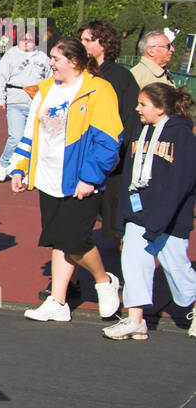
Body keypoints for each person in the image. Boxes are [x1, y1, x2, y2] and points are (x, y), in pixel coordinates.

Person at [11, 37, 123, 322]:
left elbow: (109, 140)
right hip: (48, 177)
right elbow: (30, 134)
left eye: (56, 58)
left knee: (75, 241)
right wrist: (20, 168)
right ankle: (58, 301)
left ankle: (104, 281)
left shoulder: (98, 90)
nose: (51, 63)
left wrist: (90, 177)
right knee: (58, 240)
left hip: (79, 180)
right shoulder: (46, 90)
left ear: (74, 62)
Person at [103, 84, 196, 340]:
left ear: (161, 107)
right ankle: (135, 320)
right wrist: (123, 215)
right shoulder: (140, 131)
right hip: (139, 214)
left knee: (177, 269)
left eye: (143, 104)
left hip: (170, 218)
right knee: (134, 264)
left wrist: (160, 220)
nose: (137, 109)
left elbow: (182, 182)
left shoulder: (182, 135)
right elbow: (129, 176)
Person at [80, 19, 139, 250]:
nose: (82, 44)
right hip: (81, 156)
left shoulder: (122, 77)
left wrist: (119, 155)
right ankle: (69, 281)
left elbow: (130, 119)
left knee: (117, 223)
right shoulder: (79, 73)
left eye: (88, 40)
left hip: (112, 161)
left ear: (103, 44)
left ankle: (126, 274)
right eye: (81, 39)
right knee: (75, 223)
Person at [0, 32, 52, 180]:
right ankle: (4, 163)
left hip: (35, 103)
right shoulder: (10, 56)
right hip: (15, 101)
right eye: (23, 40)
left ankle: (21, 168)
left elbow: (51, 79)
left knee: (31, 138)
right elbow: (0, 78)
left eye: (29, 40)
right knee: (16, 136)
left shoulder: (43, 58)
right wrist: (0, 97)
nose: (26, 43)